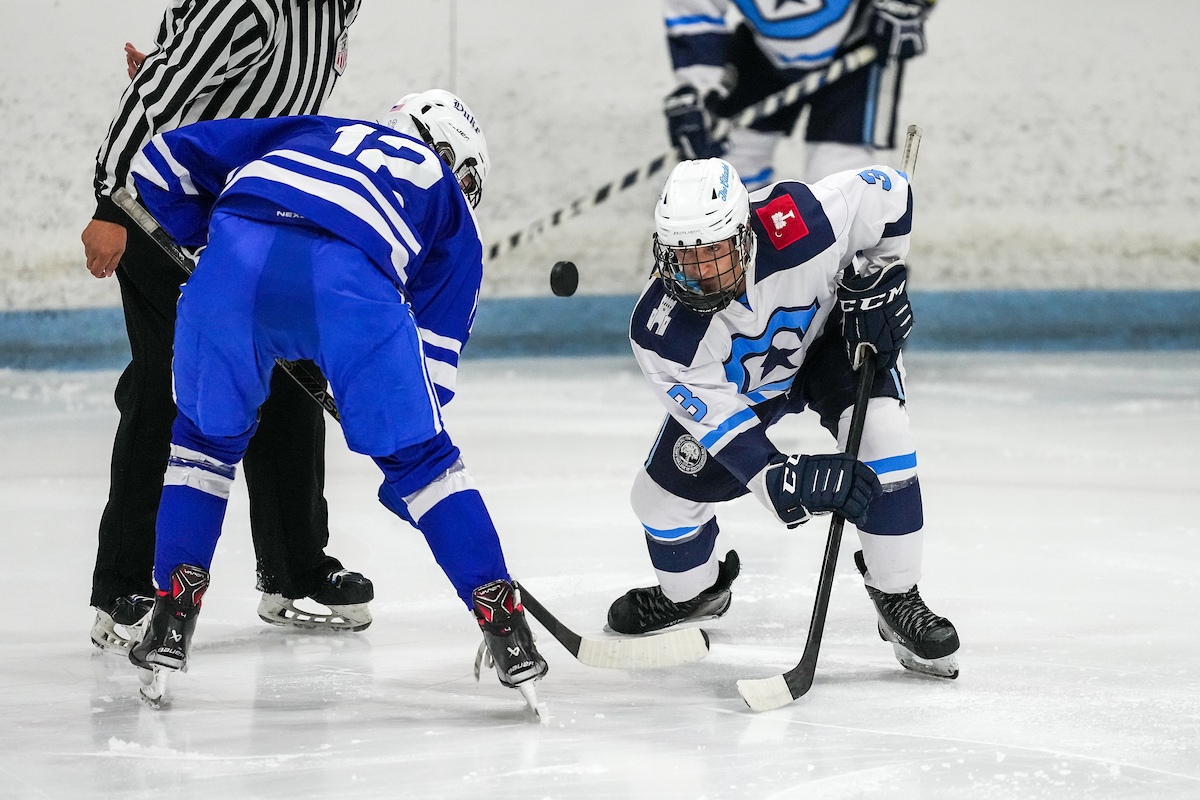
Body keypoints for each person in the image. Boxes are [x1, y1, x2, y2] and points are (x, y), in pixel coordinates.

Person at [123, 90, 548, 707]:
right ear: (450, 154)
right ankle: (505, 627)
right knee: (428, 466)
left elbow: (160, 163)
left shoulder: (313, 128)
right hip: (349, 284)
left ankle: (172, 613)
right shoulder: (448, 201)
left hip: (232, 264)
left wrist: (206, 240)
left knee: (203, 448)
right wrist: (408, 475)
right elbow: (433, 375)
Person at [81, 0, 372, 653]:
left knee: (292, 376)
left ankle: (294, 572)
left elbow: (183, 56)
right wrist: (108, 207)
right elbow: (155, 95)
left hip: (243, 216)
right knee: (169, 385)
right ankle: (126, 587)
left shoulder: (336, 9)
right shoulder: (253, 6)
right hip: (158, 209)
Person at [607, 157, 959, 679]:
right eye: (685, 257)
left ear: (743, 234)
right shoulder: (662, 332)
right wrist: (784, 477)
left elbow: (892, 190)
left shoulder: (802, 221)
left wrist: (884, 277)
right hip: (747, 393)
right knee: (657, 502)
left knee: (884, 437)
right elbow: (730, 435)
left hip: (832, 344)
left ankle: (897, 597)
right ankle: (695, 595)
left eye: (713, 254)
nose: (700, 272)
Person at [660, 0, 935, 188]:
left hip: (859, 42)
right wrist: (698, 91)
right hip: (762, 49)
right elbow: (694, 8)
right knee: (728, 166)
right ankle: (751, 262)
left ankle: (853, 271)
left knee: (838, 176)